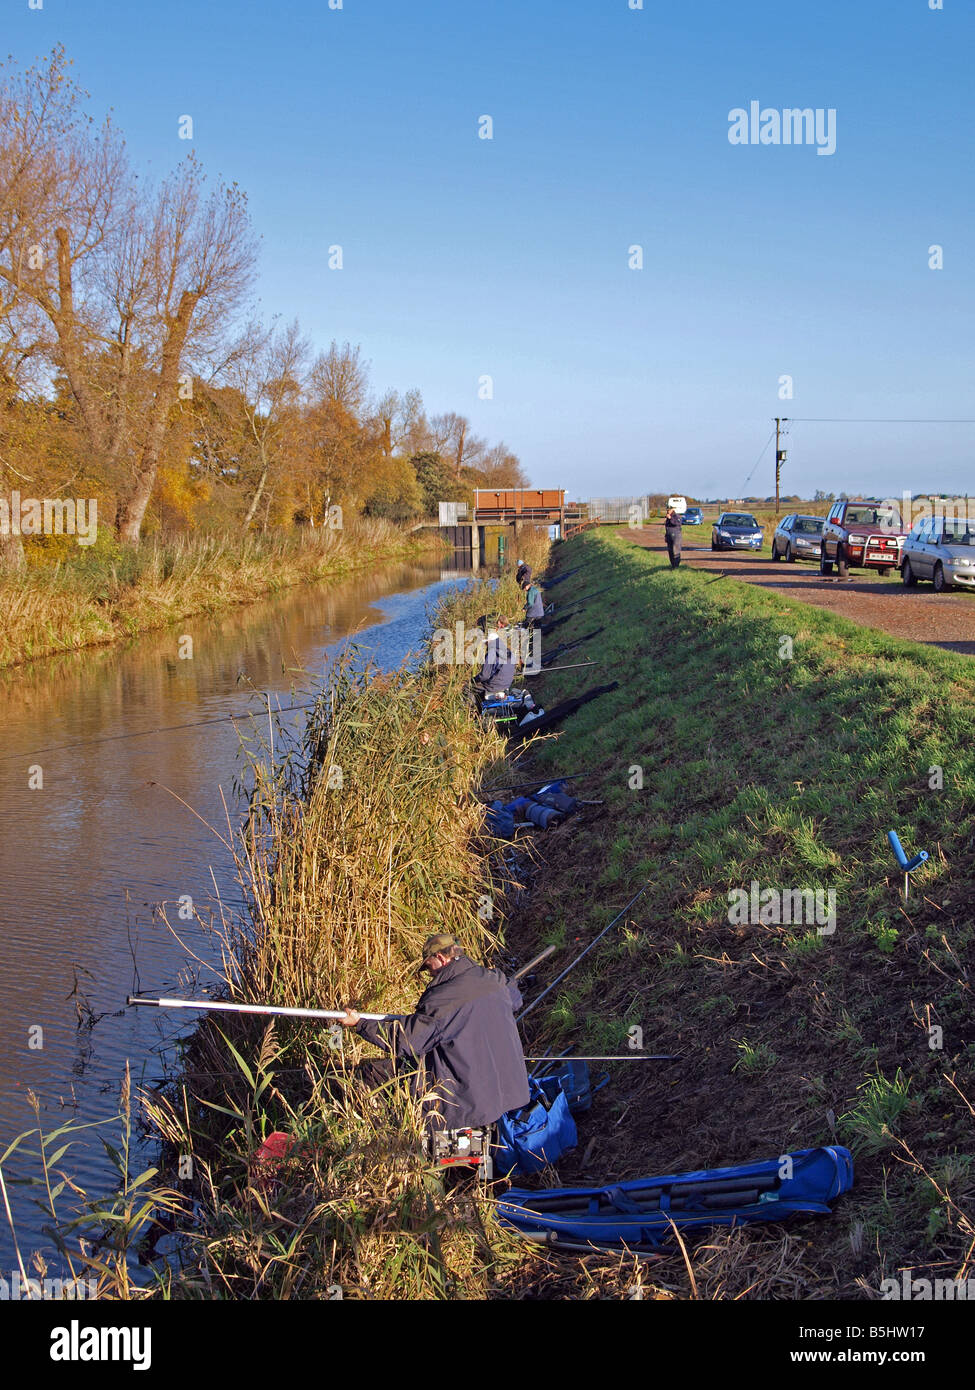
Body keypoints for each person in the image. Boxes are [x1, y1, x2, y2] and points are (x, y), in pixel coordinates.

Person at [338, 935, 530, 1134]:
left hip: (463, 1101)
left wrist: (360, 1024)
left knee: (372, 1074)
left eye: (429, 967)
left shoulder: (443, 998)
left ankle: (390, 1138)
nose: (430, 974)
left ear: (441, 957)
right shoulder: (494, 979)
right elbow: (515, 998)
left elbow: (405, 1040)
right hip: (507, 1094)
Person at [473, 614, 515, 697]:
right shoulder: (507, 650)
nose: (486, 645)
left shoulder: (491, 652)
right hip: (507, 684)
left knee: (469, 688)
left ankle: (473, 708)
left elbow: (484, 676)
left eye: (486, 643)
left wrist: (474, 680)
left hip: (495, 686)